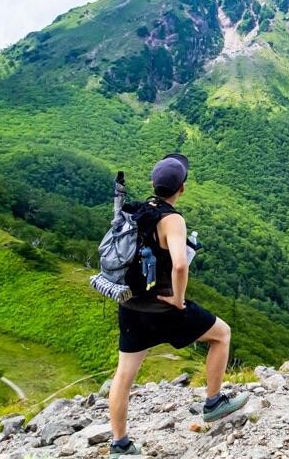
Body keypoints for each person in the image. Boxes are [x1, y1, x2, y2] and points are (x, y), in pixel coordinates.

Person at [107, 153, 248, 456]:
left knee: (124, 375)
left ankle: (120, 444)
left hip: (130, 304)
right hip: (163, 307)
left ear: (152, 184)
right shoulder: (172, 220)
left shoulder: (136, 211)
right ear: (181, 188)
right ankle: (213, 403)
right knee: (221, 335)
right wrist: (178, 299)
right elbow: (180, 265)